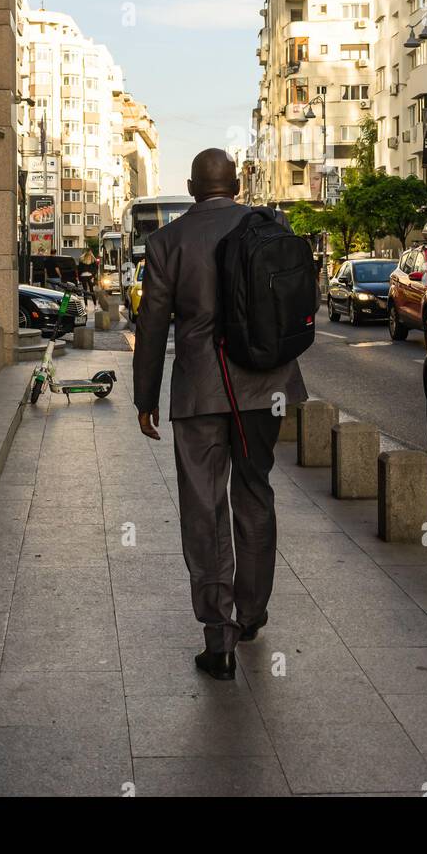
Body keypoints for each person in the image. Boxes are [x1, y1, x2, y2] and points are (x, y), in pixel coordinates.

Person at [132, 148, 310, 681]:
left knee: (204, 509)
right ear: (236, 185)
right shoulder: (270, 225)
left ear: (191, 187)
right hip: (268, 389)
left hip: (201, 396)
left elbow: (152, 328)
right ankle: (252, 614)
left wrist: (146, 398)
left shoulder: (167, 242)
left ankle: (219, 637)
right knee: (255, 495)